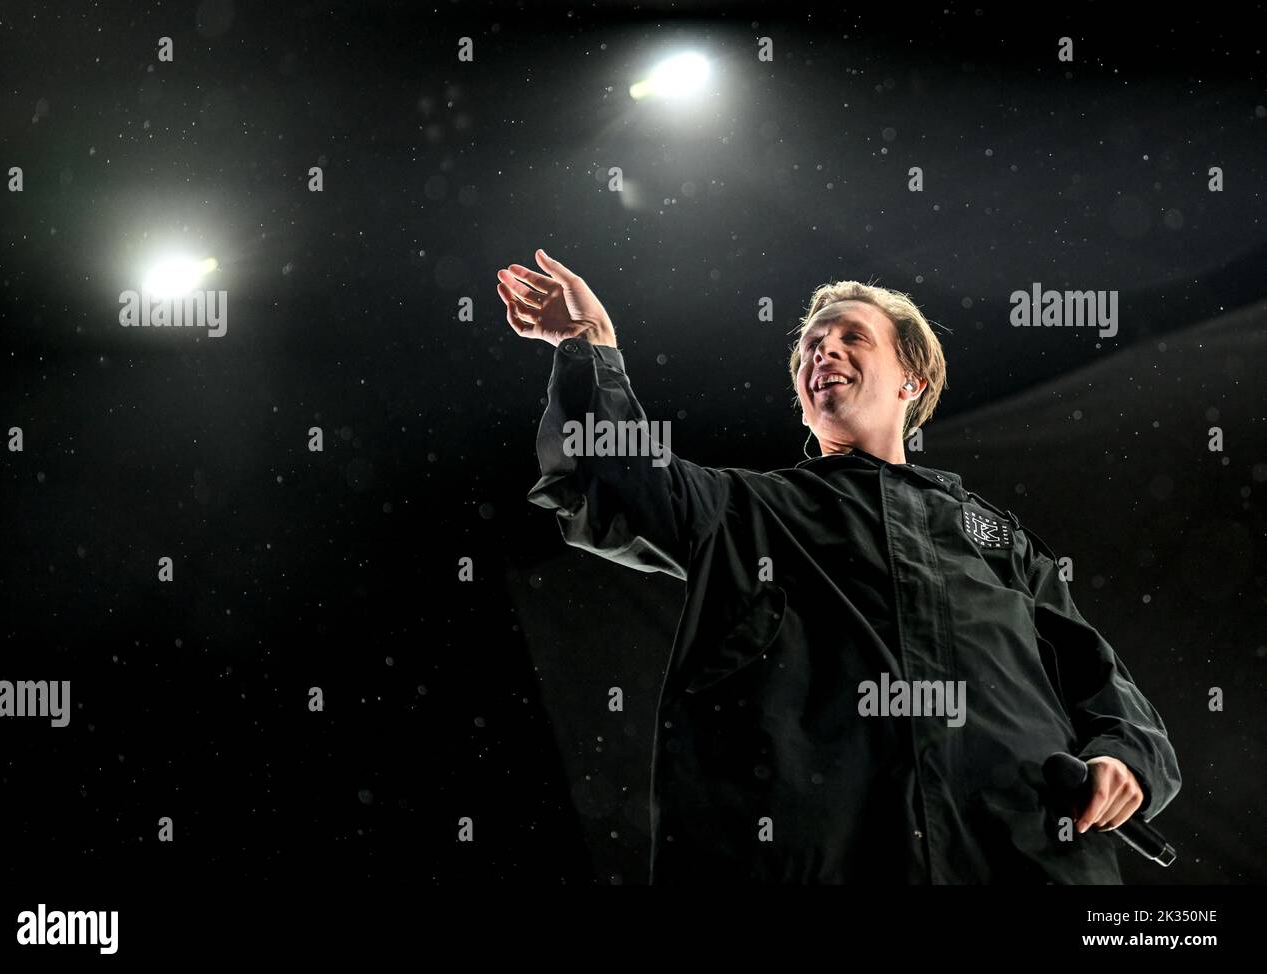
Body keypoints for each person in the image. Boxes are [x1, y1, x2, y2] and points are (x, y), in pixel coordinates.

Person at [497, 249, 1181, 884]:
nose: (822, 348)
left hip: (1023, 860)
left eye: (852, 336)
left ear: (910, 378)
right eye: (808, 348)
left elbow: (1103, 684)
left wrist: (1125, 758)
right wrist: (591, 349)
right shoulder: (746, 510)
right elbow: (612, 482)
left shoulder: (996, 537)